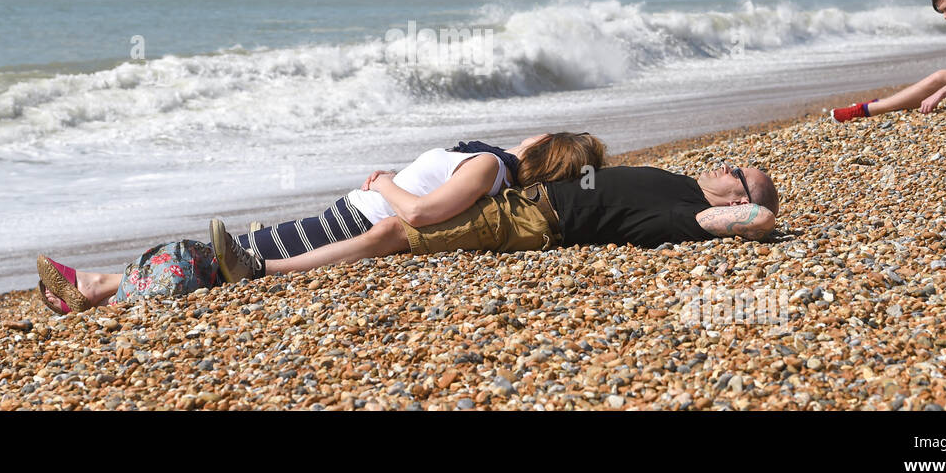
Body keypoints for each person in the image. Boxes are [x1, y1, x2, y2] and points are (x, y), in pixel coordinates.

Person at [37, 132, 606, 313]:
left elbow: (420, 213)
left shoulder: (488, 167)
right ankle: (105, 286)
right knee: (225, 255)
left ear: (547, 150)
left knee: (220, 255)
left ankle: (96, 289)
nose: (534, 134)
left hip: (348, 225)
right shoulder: (495, 173)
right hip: (347, 219)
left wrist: (382, 180)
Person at [202, 162, 780, 286]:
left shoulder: (683, 213)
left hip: (537, 221)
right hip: (530, 204)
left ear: (738, 193)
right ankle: (265, 261)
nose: (722, 166)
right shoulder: (677, 182)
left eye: (736, 171)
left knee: (399, 235)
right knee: (396, 235)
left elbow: (756, 220)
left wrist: (759, 214)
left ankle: (261, 268)